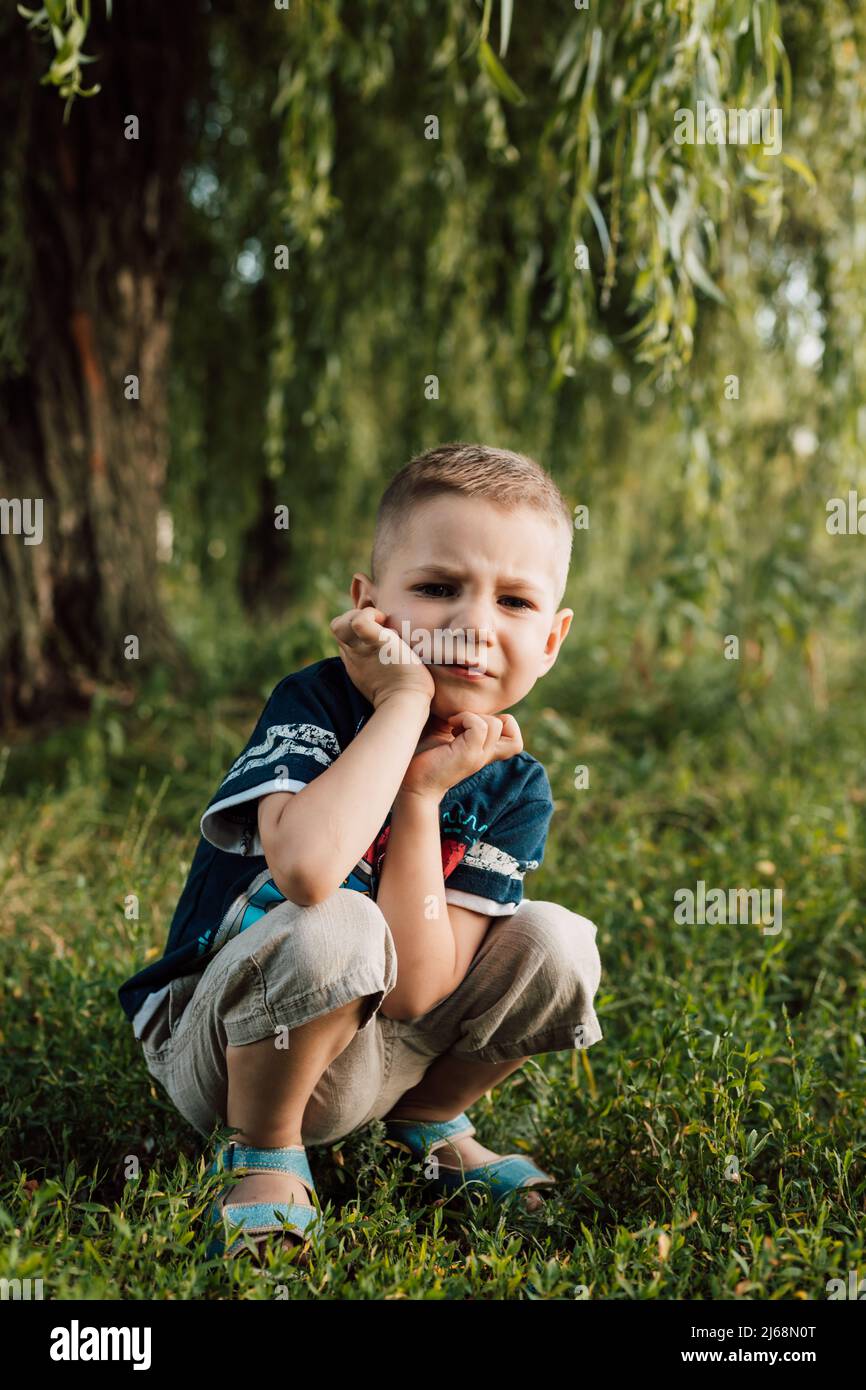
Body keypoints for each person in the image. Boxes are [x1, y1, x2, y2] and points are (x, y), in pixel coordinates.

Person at [117, 441, 604, 1259]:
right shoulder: (314, 701)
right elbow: (306, 873)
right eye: (438, 588)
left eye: (514, 601)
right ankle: (263, 1150)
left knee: (560, 942)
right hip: (232, 1044)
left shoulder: (513, 783)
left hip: (378, 1046)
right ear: (370, 605)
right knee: (337, 918)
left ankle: (425, 1121)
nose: (473, 626)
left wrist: (420, 799)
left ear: (551, 640)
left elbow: (417, 989)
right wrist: (403, 704)